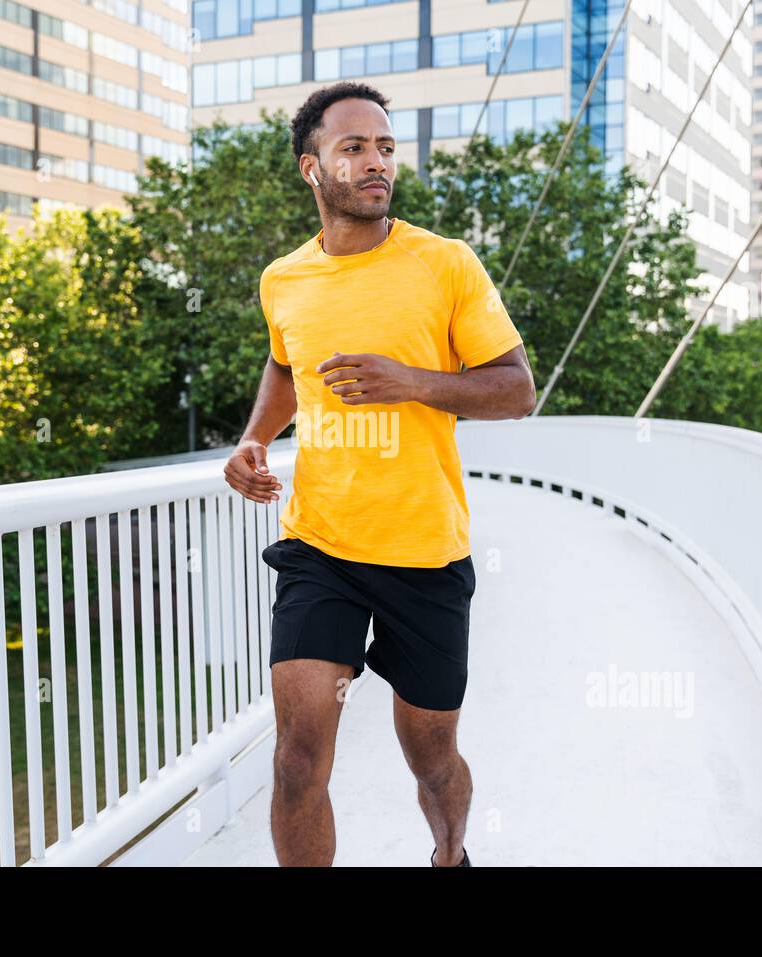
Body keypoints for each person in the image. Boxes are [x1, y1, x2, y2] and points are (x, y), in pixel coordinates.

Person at [223, 81, 535, 867]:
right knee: (297, 757)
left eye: (386, 147)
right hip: (320, 545)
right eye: (354, 147)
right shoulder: (283, 279)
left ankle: (450, 854)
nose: (376, 162)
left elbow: (516, 390)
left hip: (425, 554)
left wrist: (415, 381)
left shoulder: (445, 264)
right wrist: (254, 439)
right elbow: (286, 363)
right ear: (311, 168)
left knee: (431, 758)